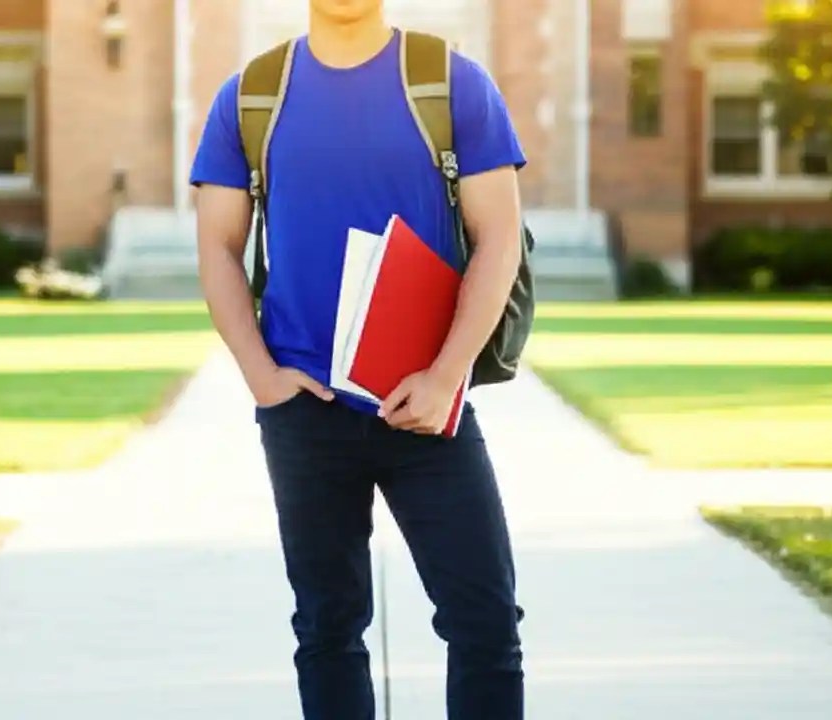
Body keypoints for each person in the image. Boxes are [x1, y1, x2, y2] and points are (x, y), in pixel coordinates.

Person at [191, 1, 526, 717]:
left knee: (486, 623)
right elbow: (217, 245)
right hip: (304, 410)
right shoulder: (251, 95)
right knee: (327, 629)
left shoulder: (451, 81)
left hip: (428, 408)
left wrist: (446, 377)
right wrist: (263, 379)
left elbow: (500, 235)